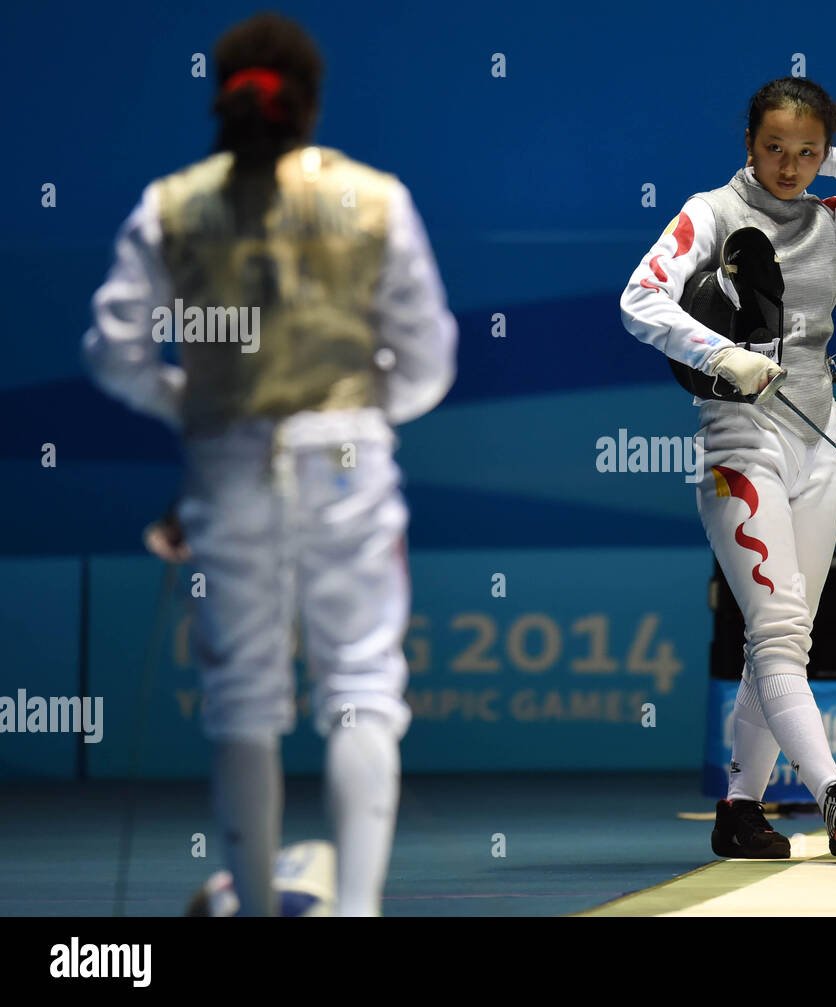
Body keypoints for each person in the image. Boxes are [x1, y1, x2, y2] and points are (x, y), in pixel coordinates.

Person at [83, 13, 458, 914]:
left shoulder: (171, 203)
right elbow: (429, 359)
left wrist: (201, 408)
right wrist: (363, 411)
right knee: (363, 682)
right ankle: (358, 908)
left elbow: (112, 351)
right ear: (311, 100)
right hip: (346, 459)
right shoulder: (374, 198)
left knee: (243, 698)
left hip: (227, 463)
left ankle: (254, 908)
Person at [620, 77, 836, 858]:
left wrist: (831, 156)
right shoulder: (711, 212)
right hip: (740, 438)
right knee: (781, 628)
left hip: (822, 438)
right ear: (747, 144)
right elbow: (640, 299)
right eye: (774, 148)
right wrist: (721, 352)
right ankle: (834, 791)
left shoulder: (826, 217)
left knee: (782, 637)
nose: (790, 167)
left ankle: (740, 809)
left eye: (806, 153)